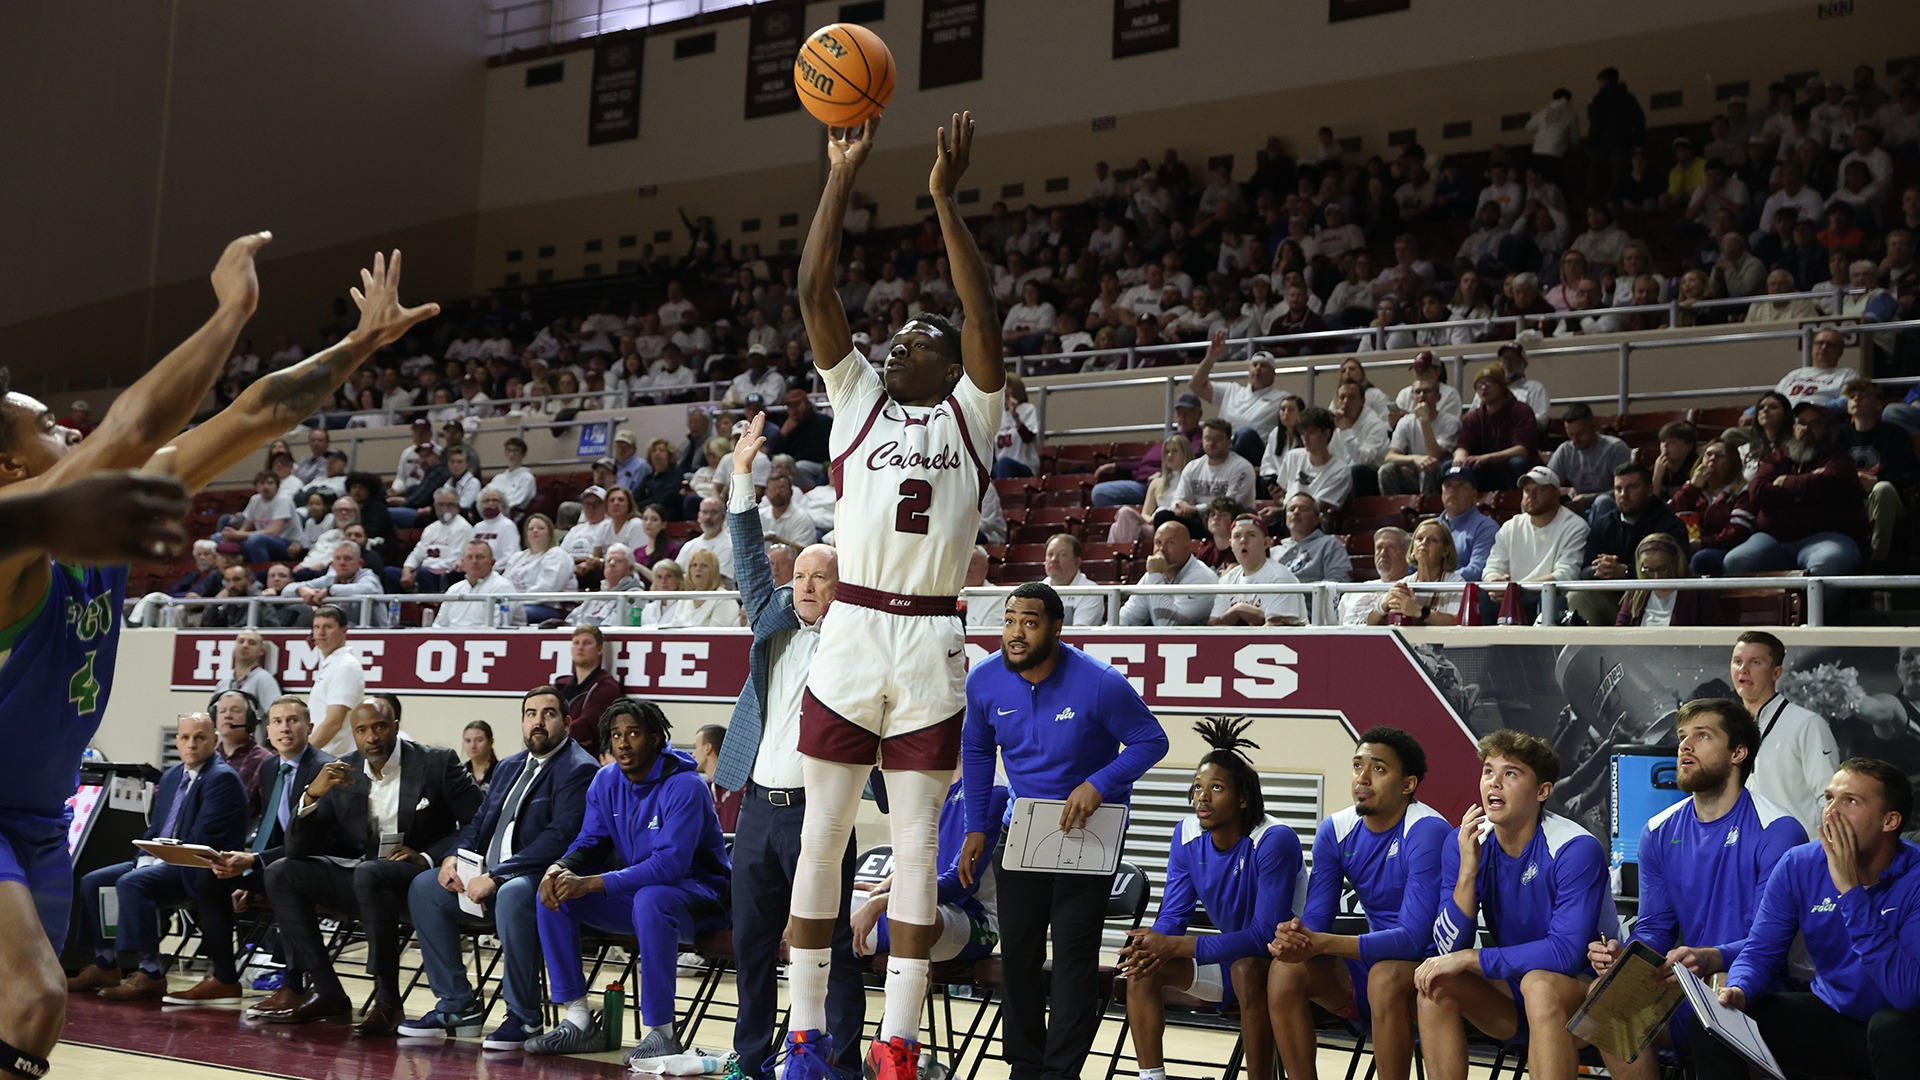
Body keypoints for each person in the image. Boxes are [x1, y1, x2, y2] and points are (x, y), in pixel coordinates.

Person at [784, 111, 1009, 1080]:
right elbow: (812, 287)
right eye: (892, 336)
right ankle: (802, 1042)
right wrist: (840, 176)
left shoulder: (972, 415)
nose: (893, 342)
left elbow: (982, 315)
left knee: (916, 847)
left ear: (947, 364)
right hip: (853, 631)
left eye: (914, 337)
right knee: (823, 836)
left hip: (928, 643)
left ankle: (901, 1045)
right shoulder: (857, 402)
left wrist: (944, 201)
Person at [960, 582, 1168, 1080]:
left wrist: (1099, 782)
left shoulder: (1100, 682)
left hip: (1088, 836)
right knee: (1019, 956)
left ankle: (1061, 1071)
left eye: (1029, 622)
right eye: (1009, 620)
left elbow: (1150, 741)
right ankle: (1025, 1066)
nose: (1016, 632)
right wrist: (976, 828)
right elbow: (976, 751)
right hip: (1023, 831)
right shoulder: (985, 680)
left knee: (1074, 958)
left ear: (1056, 628)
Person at [710, 415, 865, 1080]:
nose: (804, 584)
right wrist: (740, 473)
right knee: (750, 945)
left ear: (841, 588)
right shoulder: (774, 623)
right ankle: (752, 1061)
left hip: (819, 815)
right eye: (798, 574)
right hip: (757, 810)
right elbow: (748, 559)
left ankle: (837, 1064)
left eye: (819, 577)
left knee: (827, 944)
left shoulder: (855, 638)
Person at [1585, 698, 1806, 1080]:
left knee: (1724, 992)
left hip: (1763, 988)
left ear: (1738, 752)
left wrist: (1712, 957)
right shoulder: (1658, 830)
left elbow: (1769, 944)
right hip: (1691, 984)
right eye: (1682, 737)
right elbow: (1655, 928)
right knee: (1608, 997)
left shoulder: (1779, 830)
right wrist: (1628, 955)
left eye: (1702, 736)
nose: (1685, 746)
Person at [257, 697, 481, 1034]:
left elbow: (480, 821)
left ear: (395, 726)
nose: (371, 737)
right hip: (369, 878)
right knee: (281, 872)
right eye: (361, 730)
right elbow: (298, 848)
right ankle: (328, 992)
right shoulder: (343, 771)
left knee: (369, 872)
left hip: (422, 877)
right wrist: (312, 796)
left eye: (378, 727)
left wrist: (429, 856)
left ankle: (388, 1001)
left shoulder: (436, 762)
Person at [526, 698, 730, 1065]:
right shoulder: (605, 781)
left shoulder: (686, 786)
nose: (622, 743)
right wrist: (559, 867)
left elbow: (669, 866)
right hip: (641, 896)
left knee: (651, 898)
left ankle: (662, 1033)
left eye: (633, 733)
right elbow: (591, 841)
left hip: (701, 897)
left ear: (655, 738)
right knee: (553, 893)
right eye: (616, 735)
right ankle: (578, 1020)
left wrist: (592, 883)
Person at [400, 686, 597, 1049]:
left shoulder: (579, 769)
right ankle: (456, 1004)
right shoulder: (508, 766)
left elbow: (560, 837)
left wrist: (497, 875)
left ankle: (524, 1017)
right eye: (530, 713)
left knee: (514, 892)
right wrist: (452, 858)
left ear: (567, 722)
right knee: (425, 888)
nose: (538, 722)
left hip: (540, 879)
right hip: (487, 876)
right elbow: (477, 823)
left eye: (548, 714)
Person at [1698, 758, 1920, 1080]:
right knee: (1716, 1020)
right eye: (1829, 798)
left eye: (1850, 801)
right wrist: (1740, 988)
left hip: (1903, 1028)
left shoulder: (1915, 876)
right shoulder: (1799, 864)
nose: (1832, 811)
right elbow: (1761, 951)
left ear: (1890, 821)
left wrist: (1850, 890)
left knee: (1889, 1027)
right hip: (1832, 1016)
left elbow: (1907, 994)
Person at [1416, 730, 1617, 1080]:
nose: (1494, 783)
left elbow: (1565, 955)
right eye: (1488, 771)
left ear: (1542, 792)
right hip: (1514, 990)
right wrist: (1467, 873)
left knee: (1538, 985)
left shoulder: (1575, 848)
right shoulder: (1464, 843)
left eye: (1510, 773)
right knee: (1436, 983)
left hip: (1582, 992)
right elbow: (1447, 947)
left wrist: (1470, 959)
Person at [1122, 718, 1304, 1080]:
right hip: (1229, 959)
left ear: (1242, 799)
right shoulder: (1187, 833)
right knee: (1142, 969)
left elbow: (1263, 936)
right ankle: (1151, 1078)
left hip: (1288, 966)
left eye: (1216, 788)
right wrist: (1154, 945)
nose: (1201, 797)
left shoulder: (1274, 839)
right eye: (1197, 788)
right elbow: (1173, 915)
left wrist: (1173, 945)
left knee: (1247, 967)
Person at [1269, 728, 1449, 1080]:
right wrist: (1297, 936)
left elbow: (1413, 939)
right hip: (1371, 967)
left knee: (1384, 975)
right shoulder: (1335, 830)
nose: (1362, 779)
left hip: (1428, 971)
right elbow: (1317, 919)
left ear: (1408, 784)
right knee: (1285, 970)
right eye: (1357, 766)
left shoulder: (1428, 830)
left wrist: (1320, 942)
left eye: (1378, 769)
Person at [65, 712, 247, 1002]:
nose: (191, 744)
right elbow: (156, 827)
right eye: (185, 737)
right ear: (177, 740)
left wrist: (153, 861)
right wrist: (144, 857)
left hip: (195, 867)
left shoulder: (222, 779)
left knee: (132, 883)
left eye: (199, 737)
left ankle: (150, 973)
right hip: (160, 859)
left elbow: (203, 838)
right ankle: (104, 965)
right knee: (93, 881)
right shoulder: (173, 775)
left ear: (214, 740)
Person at [195, 696, 334, 1010]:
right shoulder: (270, 766)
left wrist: (255, 862)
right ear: (267, 730)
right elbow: (271, 828)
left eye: (293, 720)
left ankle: (294, 984)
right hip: (280, 859)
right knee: (210, 878)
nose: (284, 727)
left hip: (318, 864)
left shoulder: (324, 768)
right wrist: (245, 876)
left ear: (309, 727)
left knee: (280, 876)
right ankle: (224, 977)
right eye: (277, 721)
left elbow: (315, 842)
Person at [851, 774, 1010, 968]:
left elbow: (958, 883)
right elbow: (918, 860)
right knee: (829, 903)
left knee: (915, 915)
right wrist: (882, 888)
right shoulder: (924, 783)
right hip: (916, 899)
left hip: (972, 916)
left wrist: (883, 901)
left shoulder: (993, 791)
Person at [1722, 401, 1866, 579]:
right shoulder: (1777, 457)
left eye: (1815, 423)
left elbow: (1834, 483)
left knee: (1828, 562)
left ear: (1827, 428)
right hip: (1773, 538)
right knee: (1736, 560)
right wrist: (1808, 488)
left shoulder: (1839, 459)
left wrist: (1785, 482)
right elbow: (1757, 491)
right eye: (1802, 423)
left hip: (1827, 537)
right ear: (1793, 426)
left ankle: (1817, 609)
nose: (1807, 428)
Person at [1732, 631, 1841, 836]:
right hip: (1746, 853)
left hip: (1797, 854)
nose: (1743, 670)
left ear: (1776, 672)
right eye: (1737, 661)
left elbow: (1829, 798)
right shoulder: (1729, 727)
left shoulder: (1807, 724)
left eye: (1755, 662)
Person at [1570, 463, 1691, 627]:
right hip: (1614, 602)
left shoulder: (1670, 525)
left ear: (1649, 490)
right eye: (1618, 489)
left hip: (1655, 602)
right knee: (1576, 595)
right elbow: (1583, 572)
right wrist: (1598, 570)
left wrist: (1625, 571)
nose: (1623, 495)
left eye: (1632, 487)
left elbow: (1677, 571)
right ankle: (1592, 651)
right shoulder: (1603, 524)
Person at [1481, 466, 1589, 625]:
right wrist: (1494, 582)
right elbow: (1492, 568)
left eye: (1540, 490)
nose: (1531, 495)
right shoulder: (1510, 526)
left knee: (1553, 599)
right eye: (1527, 490)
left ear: (1555, 494)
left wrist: (1519, 589)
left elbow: (1566, 574)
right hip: (1512, 594)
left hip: (1544, 596)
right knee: (1482, 596)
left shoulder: (1575, 526)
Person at [1842, 379, 1917, 570]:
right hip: (1852, 498)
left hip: (1890, 500)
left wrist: (1878, 480)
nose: (1857, 398)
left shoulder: (1894, 434)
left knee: (1882, 489)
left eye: (1863, 395)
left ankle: (1877, 562)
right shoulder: (1840, 435)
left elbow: (1912, 474)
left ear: (1878, 405)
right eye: (1852, 396)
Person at [1188, 332, 1283, 468]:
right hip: (1223, 446)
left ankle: (1223, 465)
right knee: (1204, 436)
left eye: (1263, 366)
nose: (1258, 369)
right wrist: (1210, 358)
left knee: (1245, 434)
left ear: (1273, 373)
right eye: (1254, 365)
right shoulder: (1232, 390)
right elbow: (1195, 385)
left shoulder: (1282, 398)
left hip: (1254, 454)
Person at [1452, 365, 1539, 490]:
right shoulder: (1473, 417)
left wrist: (1488, 457)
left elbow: (1521, 449)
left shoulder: (1521, 411)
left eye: (1489, 382)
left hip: (1509, 466)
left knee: (1517, 463)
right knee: (1450, 466)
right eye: (1479, 384)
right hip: (1484, 468)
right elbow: (1463, 444)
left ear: (1501, 386)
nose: (1483, 387)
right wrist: (1460, 455)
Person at [1119, 519, 1220, 627]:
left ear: (1187, 548)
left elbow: (1169, 625)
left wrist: (1155, 576)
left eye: (1170, 542)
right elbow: (1127, 617)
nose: (1162, 549)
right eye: (1158, 542)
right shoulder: (1153, 574)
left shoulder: (1203, 579)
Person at [1210, 515, 1306, 627]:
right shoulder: (1227, 579)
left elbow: (1276, 631)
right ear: (1231, 544)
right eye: (1237, 536)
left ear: (1266, 543)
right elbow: (1213, 625)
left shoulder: (1280, 578)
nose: (1243, 541)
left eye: (1251, 535)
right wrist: (1237, 611)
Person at [1369, 519, 1466, 626]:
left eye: (1433, 540)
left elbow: (1458, 621)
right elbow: (1370, 623)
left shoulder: (1455, 582)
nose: (1424, 543)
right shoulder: (1404, 583)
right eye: (1419, 539)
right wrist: (1383, 606)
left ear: (1445, 551)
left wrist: (1419, 612)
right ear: (1412, 550)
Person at [1167, 419, 1257, 525]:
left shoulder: (1242, 467)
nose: (1211, 443)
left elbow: (1229, 505)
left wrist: (1195, 509)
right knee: (1163, 516)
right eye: (1207, 438)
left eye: (1217, 439)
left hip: (1231, 522)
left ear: (1229, 442)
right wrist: (1181, 507)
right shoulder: (1192, 466)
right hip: (1199, 519)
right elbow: (1177, 499)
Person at [1378, 380, 1459, 497]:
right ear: (1412, 397)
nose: (1422, 396)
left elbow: (1435, 455)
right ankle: (1396, 512)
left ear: (1438, 397)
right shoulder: (1405, 421)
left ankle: (1427, 512)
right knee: (1386, 470)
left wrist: (1424, 420)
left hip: (1439, 474)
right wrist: (1415, 458)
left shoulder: (1450, 422)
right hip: (1414, 472)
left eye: (1427, 391)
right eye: (1418, 392)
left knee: (1429, 467)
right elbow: (1390, 456)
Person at [553, 625, 623, 760]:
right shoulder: (561, 685)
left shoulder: (607, 687)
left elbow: (585, 730)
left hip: (585, 762)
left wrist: (553, 734)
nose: (580, 647)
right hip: (557, 758)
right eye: (576, 643)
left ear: (599, 649)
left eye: (587, 643)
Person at [1546, 404, 1630, 515]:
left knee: (1602, 502)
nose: (1575, 440)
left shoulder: (1614, 448)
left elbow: (1626, 489)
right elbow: (1546, 483)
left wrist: (1589, 499)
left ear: (1593, 426)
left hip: (1610, 508)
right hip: (1577, 508)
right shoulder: (1565, 450)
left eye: (1580, 433)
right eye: (1570, 434)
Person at [1264, 407, 1352, 513]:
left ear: (1326, 434)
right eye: (1302, 433)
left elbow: (1316, 508)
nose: (1305, 438)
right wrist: (1280, 502)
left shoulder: (1340, 470)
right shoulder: (1292, 456)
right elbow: (1283, 493)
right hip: (1286, 517)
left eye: (1311, 432)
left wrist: (1279, 511)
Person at [305, 605, 366, 756]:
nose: (320, 632)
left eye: (328, 627)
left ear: (344, 631)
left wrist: (302, 756)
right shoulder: (331, 664)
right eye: (316, 627)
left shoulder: (345, 666)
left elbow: (333, 723)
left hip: (334, 760)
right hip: (323, 757)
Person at [500, 513, 575, 624]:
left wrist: (516, 603)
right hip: (516, 604)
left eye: (541, 528)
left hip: (550, 607)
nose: (535, 531)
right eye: (531, 528)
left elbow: (546, 588)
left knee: (510, 614)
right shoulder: (518, 556)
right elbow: (503, 583)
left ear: (550, 533)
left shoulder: (557, 555)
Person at [211, 689, 276, 817]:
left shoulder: (265, 761)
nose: (227, 715)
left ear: (250, 719)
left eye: (235, 710)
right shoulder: (206, 758)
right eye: (222, 711)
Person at [401, 489, 473, 595]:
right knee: (390, 573)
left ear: (458, 508)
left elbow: (454, 560)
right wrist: (406, 571)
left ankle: (429, 608)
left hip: (445, 573)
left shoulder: (463, 528)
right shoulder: (431, 528)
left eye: (449, 505)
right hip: (424, 571)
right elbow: (417, 553)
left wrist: (417, 573)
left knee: (423, 573)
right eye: (440, 504)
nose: (444, 509)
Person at [1435, 465, 1499, 582]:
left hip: (1463, 596)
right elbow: (1412, 566)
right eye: (1448, 485)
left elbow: (1477, 570)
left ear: (1474, 495)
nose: (1452, 491)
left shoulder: (1486, 527)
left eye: (1460, 486)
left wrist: (1438, 580)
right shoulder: (1429, 527)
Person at [1272, 492, 1353, 584]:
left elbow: (1338, 579)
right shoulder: (1273, 552)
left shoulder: (1330, 544)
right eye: (1291, 509)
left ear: (1316, 519)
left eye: (1303, 509)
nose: (1296, 512)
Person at [216, 629, 281, 724]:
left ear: (261, 651)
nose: (245, 645)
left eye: (252, 643)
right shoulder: (222, 684)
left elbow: (278, 715)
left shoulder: (264, 679)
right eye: (241, 641)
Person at [1042, 532, 1106, 626]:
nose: (1054, 559)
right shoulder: (1037, 590)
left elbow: (1078, 634)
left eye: (1063, 555)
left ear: (1077, 562)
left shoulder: (1091, 592)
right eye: (1050, 554)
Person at [689, 725, 742, 833]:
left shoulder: (740, 789)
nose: (693, 754)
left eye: (696, 747)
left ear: (708, 748)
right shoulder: (702, 790)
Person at [462, 720, 499, 792]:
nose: (472, 746)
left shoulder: (500, 771)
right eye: (468, 741)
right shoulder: (461, 773)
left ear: (491, 742)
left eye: (479, 740)